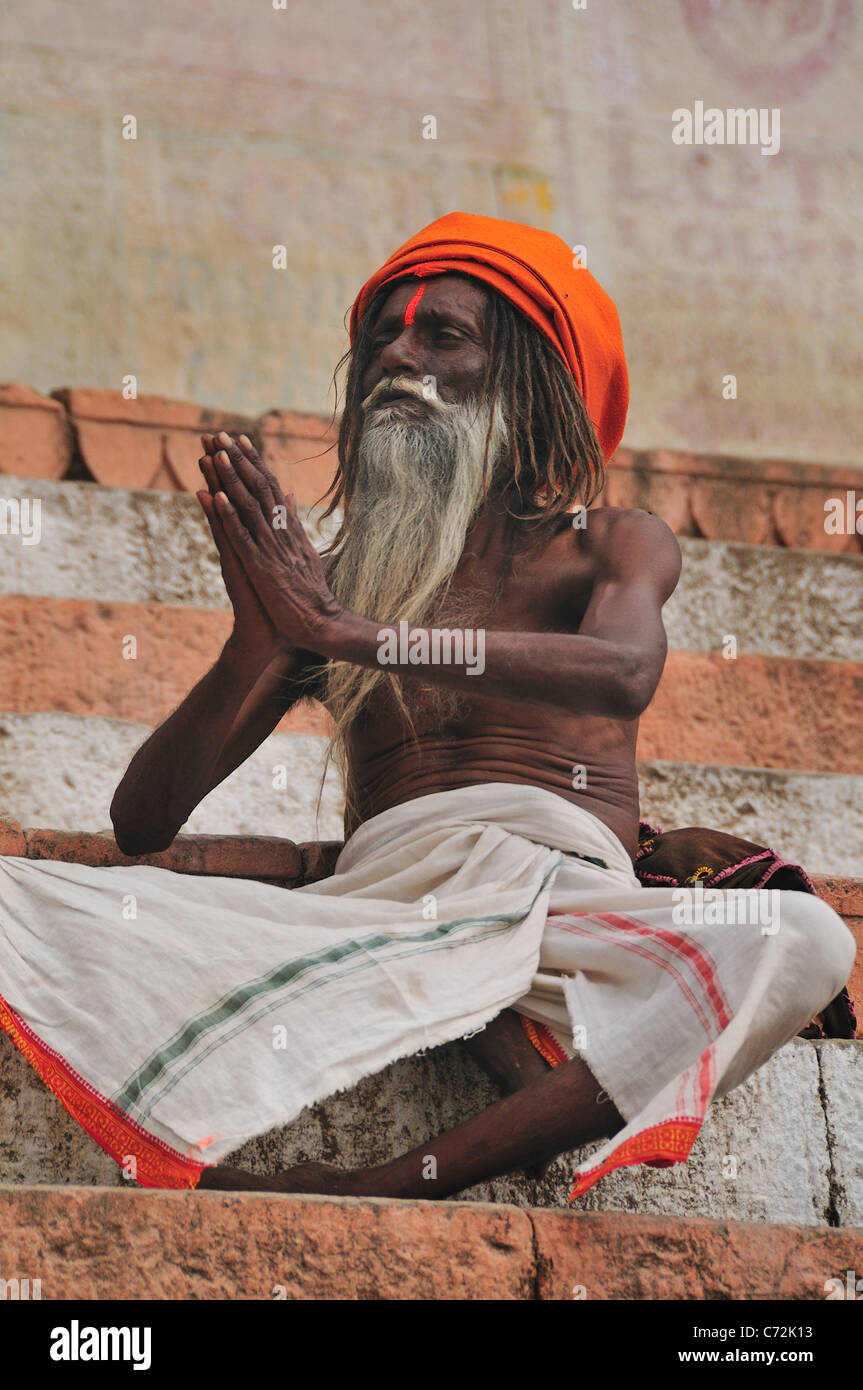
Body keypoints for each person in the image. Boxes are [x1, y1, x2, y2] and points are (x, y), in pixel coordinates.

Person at [0, 214, 854, 1202]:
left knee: (803, 938)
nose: (395, 358)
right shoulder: (330, 592)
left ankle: (391, 1178)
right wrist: (260, 640)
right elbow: (140, 822)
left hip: (568, 907)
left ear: (525, 380)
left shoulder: (606, 543)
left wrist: (344, 633)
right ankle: (491, 1038)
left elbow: (620, 673)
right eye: (380, 340)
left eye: (440, 335)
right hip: (378, 911)